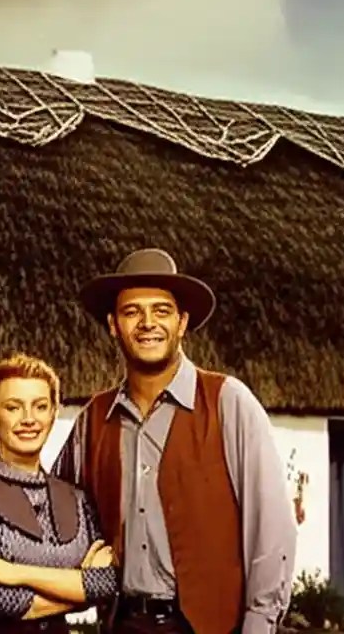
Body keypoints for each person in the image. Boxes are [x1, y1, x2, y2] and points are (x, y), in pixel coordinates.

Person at [52, 248, 298, 634]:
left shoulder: (228, 402)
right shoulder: (92, 421)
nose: (148, 323)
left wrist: (259, 626)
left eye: (162, 311)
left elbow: (271, 529)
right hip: (123, 625)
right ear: (113, 324)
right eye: (132, 312)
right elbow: (53, 516)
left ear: (182, 323)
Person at [0, 354, 119, 634]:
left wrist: (14, 572)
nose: (29, 419)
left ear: (54, 413)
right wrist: (79, 587)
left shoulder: (78, 499)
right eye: (13, 407)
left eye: (40, 406)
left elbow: (109, 583)